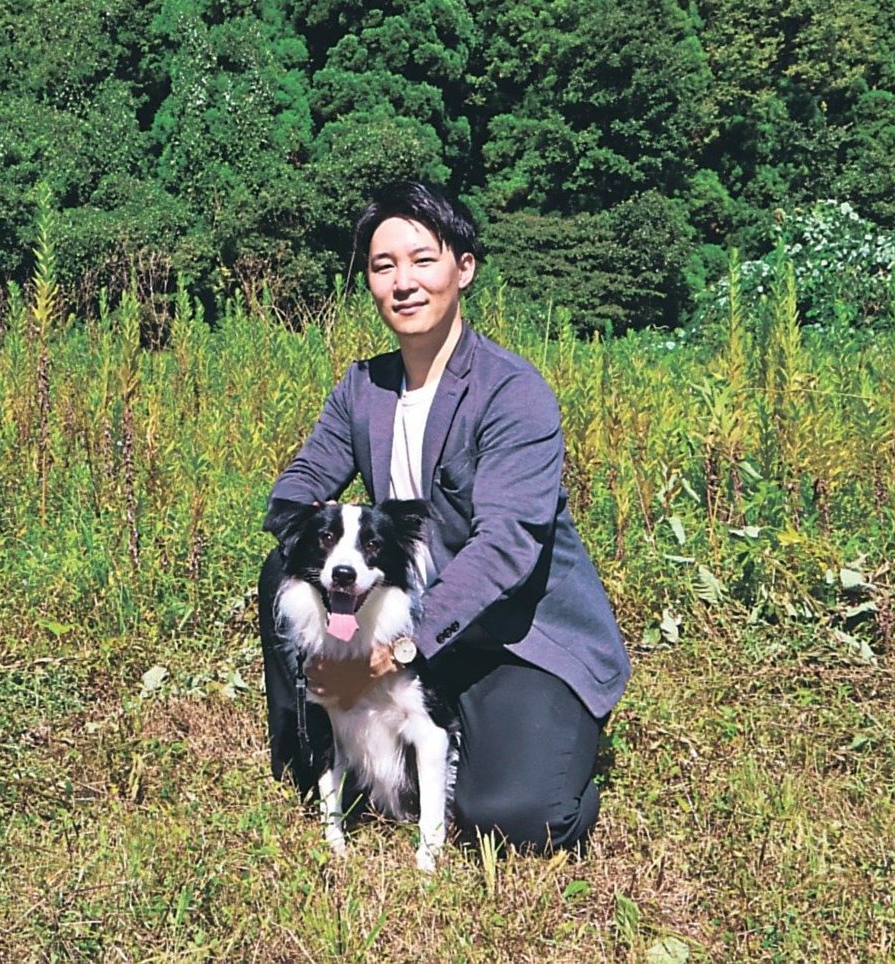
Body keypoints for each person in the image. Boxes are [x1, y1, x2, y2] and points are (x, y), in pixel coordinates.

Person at [257, 180, 631, 854]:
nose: (403, 282)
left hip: (514, 637)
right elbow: (301, 481)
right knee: (288, 565)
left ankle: (546, 746)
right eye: (383, 266)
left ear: (463, 268)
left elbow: (505, 547)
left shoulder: (512, 392)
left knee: (514, 817)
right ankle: (311, 750)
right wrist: (304, 521)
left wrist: (386, 656)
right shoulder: (363, 387)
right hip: (418, 625)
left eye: (422, 260)